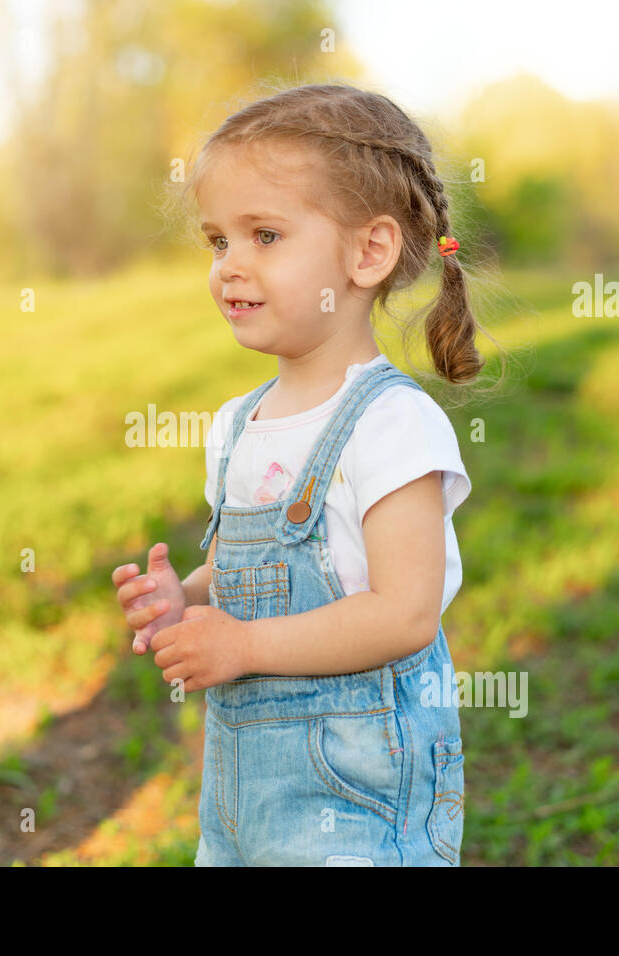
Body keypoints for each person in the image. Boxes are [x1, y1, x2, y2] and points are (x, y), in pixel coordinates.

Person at [112, 83, 496, 866]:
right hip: (242, 803)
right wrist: (183, 598)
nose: (231, 267)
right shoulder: (236, 425)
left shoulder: (391, 426)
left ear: (368, 253)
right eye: (219, 241)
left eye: (266, 235)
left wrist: (245, 647)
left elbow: (403, 615)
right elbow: (245, 574)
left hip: (356, 796)